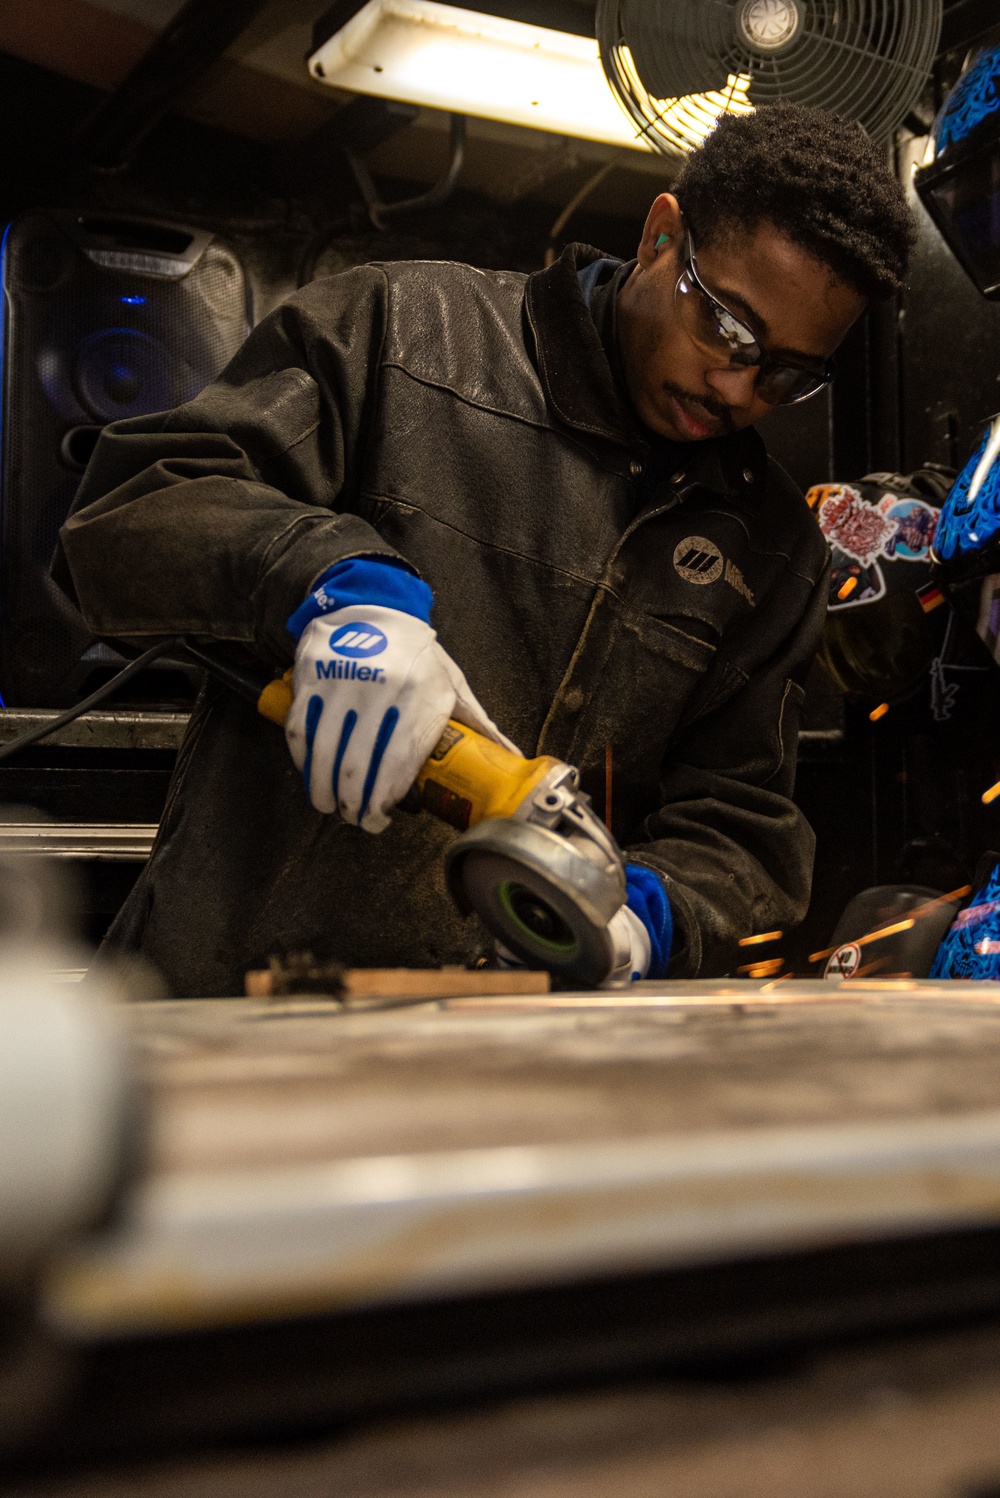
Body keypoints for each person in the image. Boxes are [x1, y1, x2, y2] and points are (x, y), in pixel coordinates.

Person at [54, 103, 916, 998]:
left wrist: (641, 923)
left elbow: (742, 825)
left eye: (785, 374)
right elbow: (134, 507)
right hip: (216, 1008)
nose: (737, 386)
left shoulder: (772, 547)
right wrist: (337, 594)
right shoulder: (401, 333)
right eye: (728, 329)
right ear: (663, 236)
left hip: (502, 1062)